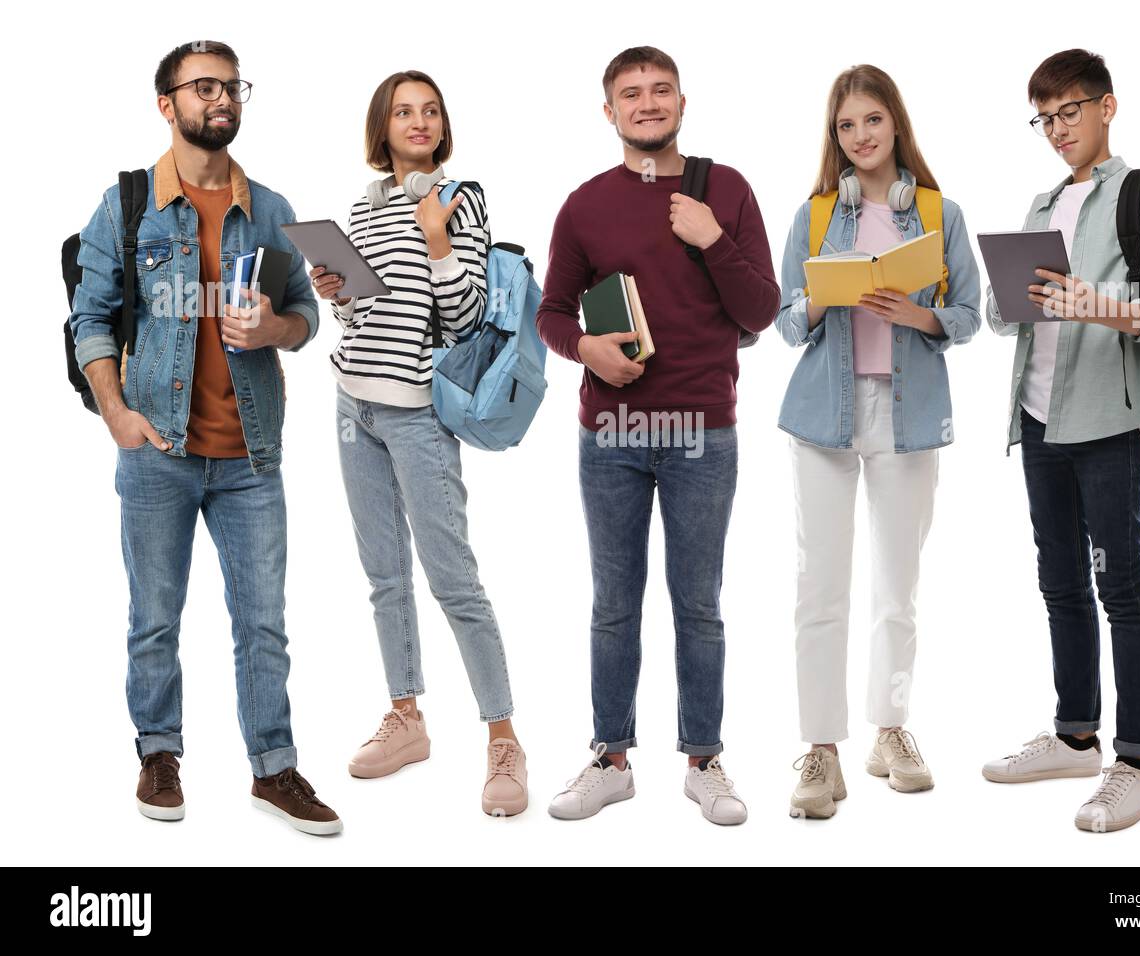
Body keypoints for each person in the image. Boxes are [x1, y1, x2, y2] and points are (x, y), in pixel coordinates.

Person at [69, 40, 340, 834]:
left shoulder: (278, 210)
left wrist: (276, 328)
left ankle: (274, 768)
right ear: (168, 104)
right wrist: (118, 416)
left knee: (264, 621)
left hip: (252, 458)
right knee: (155, 614)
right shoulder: (127, 205)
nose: (222, 98)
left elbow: (308, 317)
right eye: (205, 86)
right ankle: (160, 752)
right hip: (157, 449)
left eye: (232, 85)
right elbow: (88, 319)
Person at [536, 46, 779, 825]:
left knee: (698, 604)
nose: (647, 104)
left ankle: (704, 760)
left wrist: (712, 238)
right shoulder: (583, 205)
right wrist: (587, 348)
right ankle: (610, 757)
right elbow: (550, 313)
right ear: (609, 112)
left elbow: (761, 312)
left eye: (660, 90)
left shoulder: (727, 191)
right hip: (609, 435)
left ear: (682, 102)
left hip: (703, 433)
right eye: (630, 94)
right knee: (614, 603)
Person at [981, 49, 1140, 833]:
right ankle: (1075, 735)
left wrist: (1091, 301)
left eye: (1070, 111)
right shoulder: (1042, 203)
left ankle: (1134, 762)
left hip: (1109, 421)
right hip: (1037, 418)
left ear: (1107, 107)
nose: (1058, 129)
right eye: (1045, 117)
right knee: (1059, 581)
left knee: (1121, 587)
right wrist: (1011, 300)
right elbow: (1014, 318)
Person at [310, 70, 527, 817]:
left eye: (430, 110)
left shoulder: (460, 199)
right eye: (404, 110)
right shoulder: (361, 208)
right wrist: (338, 295)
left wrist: (437, 240)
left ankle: (503, 737)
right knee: (383, 575)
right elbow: (361, 320)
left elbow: (465, 317)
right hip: (352, 405)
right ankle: (406, 718)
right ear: (383, 125)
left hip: (416, 414)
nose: (419, 120)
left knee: (454, 581)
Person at [773, 65, 980, 818]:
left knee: (899, 590)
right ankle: (821, 750)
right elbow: (784, 320)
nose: (859, 137)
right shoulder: (818, 212)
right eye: (845, 126)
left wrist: (917, 315)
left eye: (871, 121)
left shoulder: (937, 210)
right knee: (819, 591)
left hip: (908, 413)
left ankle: (889, 729)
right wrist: (820, 300)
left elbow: (968, 315)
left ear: (896, 123)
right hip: (822, 417)